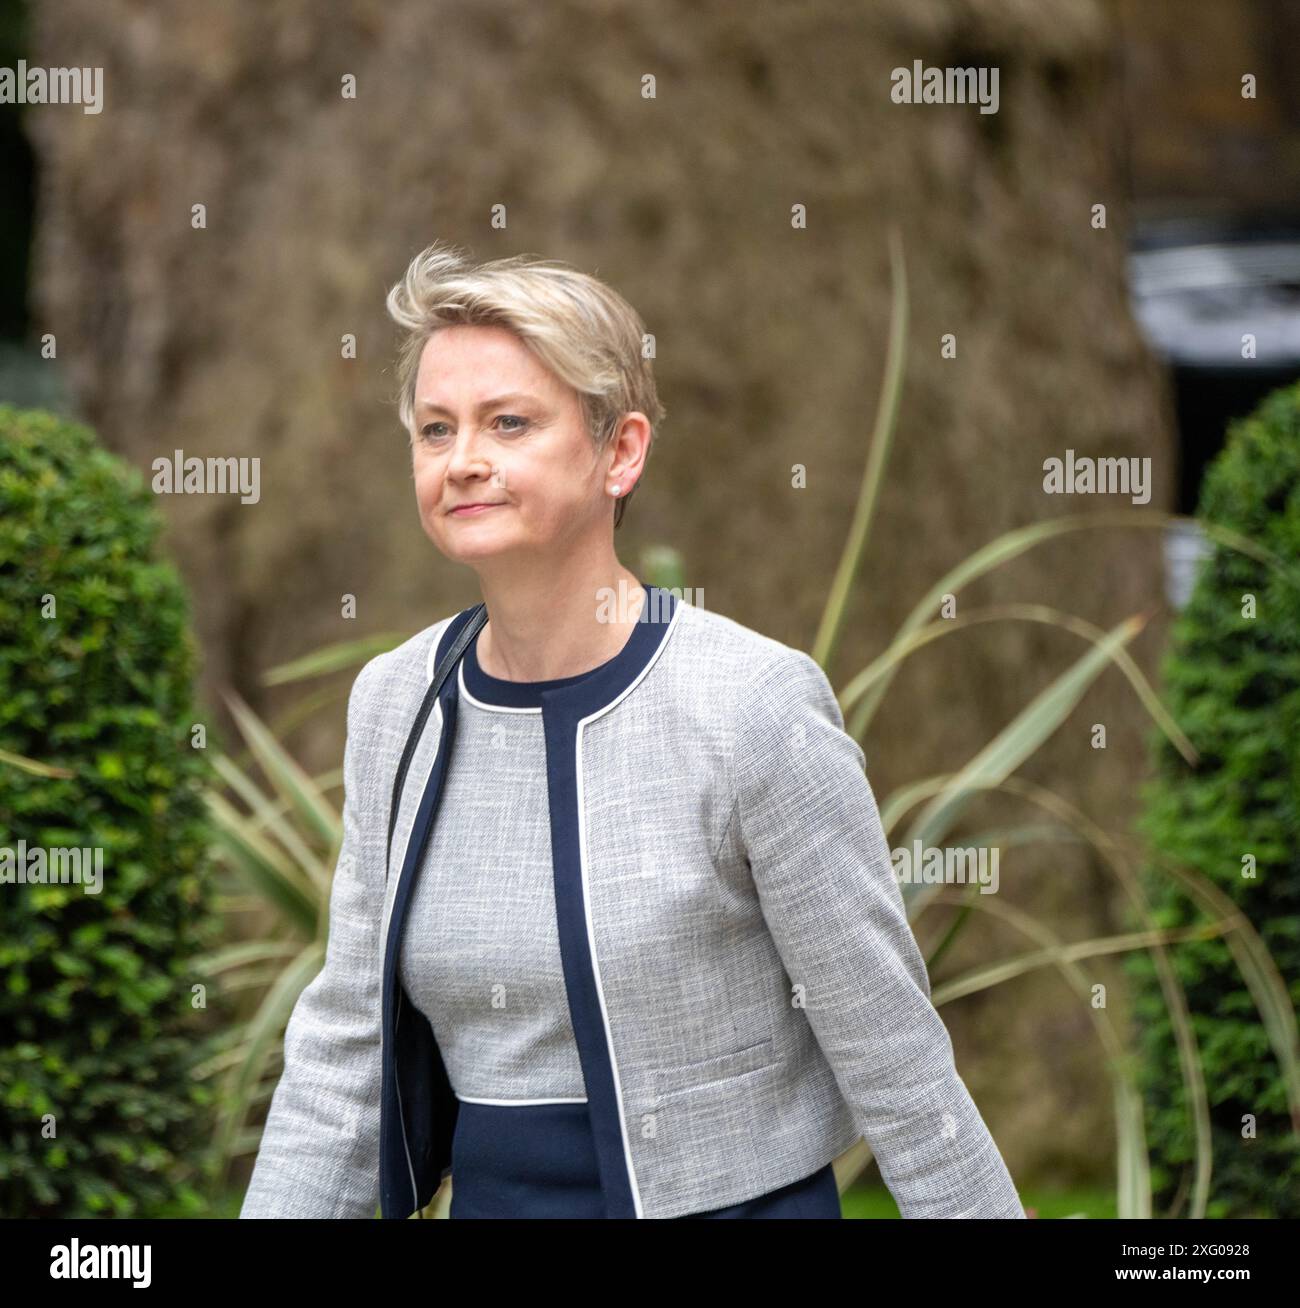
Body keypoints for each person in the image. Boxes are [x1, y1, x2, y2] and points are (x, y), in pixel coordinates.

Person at [240, 240, 1025, 1220]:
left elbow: (892, 1053)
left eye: (509, 423)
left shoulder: (753, 704)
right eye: (435, 430)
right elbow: (343, 1058)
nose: (464, 460)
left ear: (621, 451)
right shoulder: (397, 702)